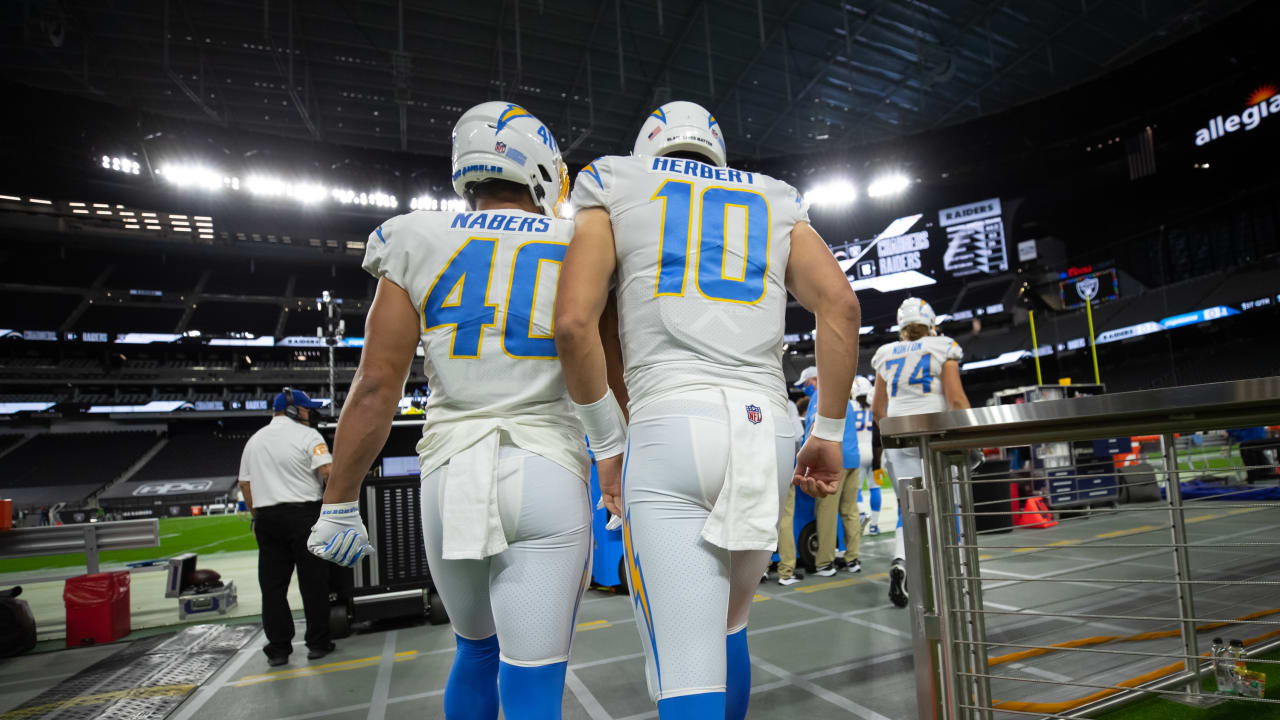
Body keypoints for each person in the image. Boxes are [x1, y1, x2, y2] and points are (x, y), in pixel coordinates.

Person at [553, 100, 861, 719]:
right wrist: (826, 430)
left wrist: (607, 445)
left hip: (670, 424)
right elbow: (842, 306)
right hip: (765, 427)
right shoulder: (775, 196)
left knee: (686, 665)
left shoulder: (614, 180)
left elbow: (575, 323)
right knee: (729, 626)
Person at [306, 102, 592, 719]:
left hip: (450, 469)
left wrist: (339, 500)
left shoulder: (416, 236)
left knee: (475, 651)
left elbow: (377, 384)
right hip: (546, 464)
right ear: (541, 167)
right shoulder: (578, 240)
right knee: (534, 678)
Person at [871, 298, 970, 608]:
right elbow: (956, 400)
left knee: (909, 509)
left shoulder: (886, 353)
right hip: (935, 435)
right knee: (949, 505)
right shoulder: (942, 346)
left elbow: (878, 409)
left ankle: (902, 562)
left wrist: (896, 435)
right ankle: (956, 574)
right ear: (931, 324)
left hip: (899, 438)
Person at [237, 388, 336, 665]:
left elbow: (245, 483)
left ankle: (279, 649)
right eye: (306, 409)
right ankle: (318, 643)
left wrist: (258, 515)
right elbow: (327, 471)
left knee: (272, 587)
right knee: (314, 582)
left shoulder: (255, 440)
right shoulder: (309, 436)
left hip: (267, 518)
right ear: (295, 410)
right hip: (304, 515)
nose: (309, 414)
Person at [813, 376, 875, 576]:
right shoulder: (848, 402)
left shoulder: (823, 398)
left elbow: (814, 430)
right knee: (850, 511)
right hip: (853, 458)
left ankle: (825, 562)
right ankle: (852, 558)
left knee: (827, 512)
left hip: (833, 461)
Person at [773, 394, 807, 586]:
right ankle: (786, 572)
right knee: (785, 519)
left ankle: (760, 570)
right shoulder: (787, 404)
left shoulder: (753, 396)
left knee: (761, 518)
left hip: (757, 468)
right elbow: (797, 436)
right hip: (782, 465)